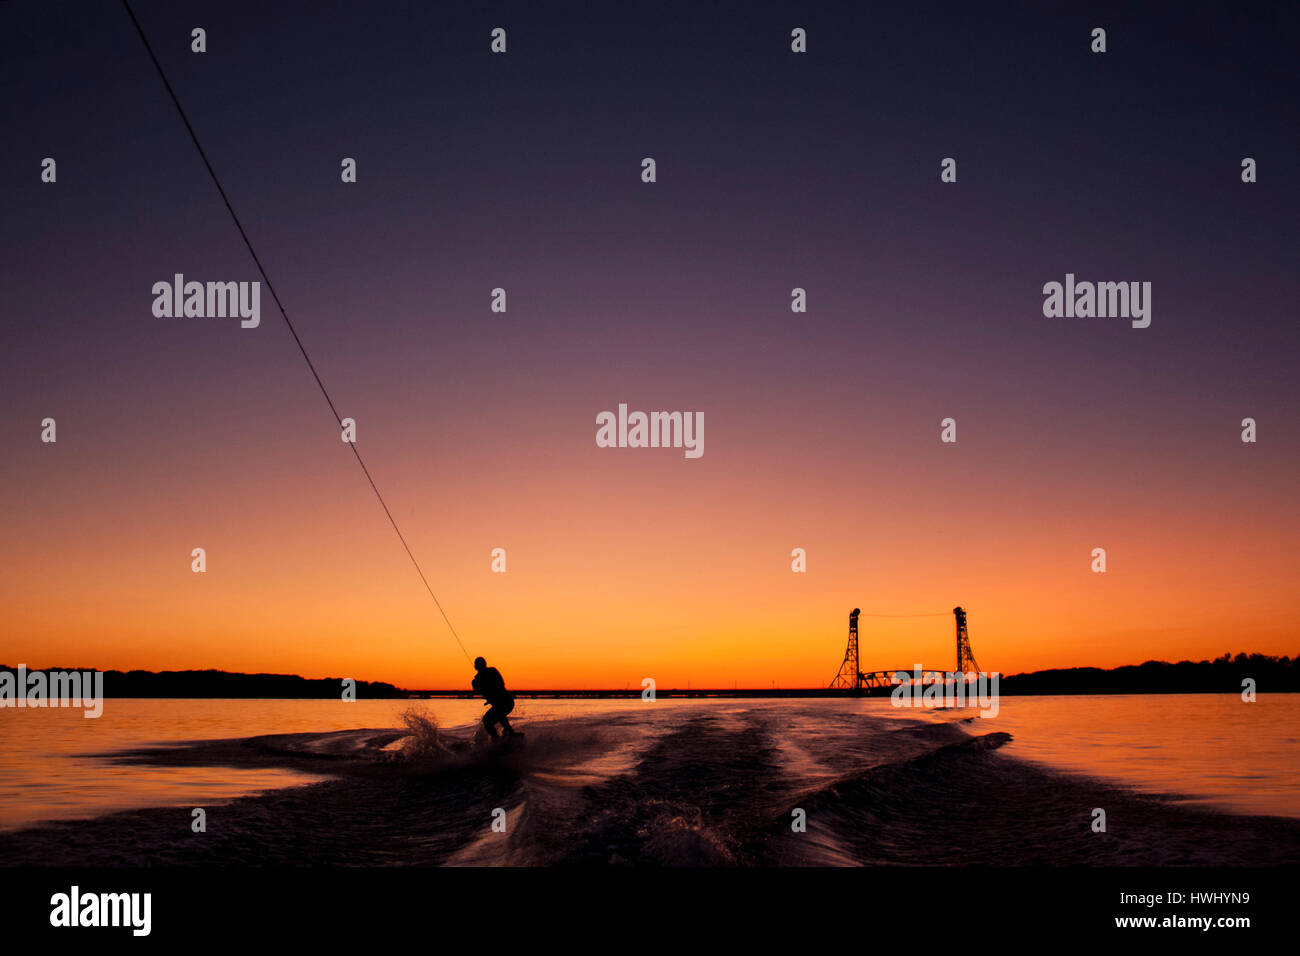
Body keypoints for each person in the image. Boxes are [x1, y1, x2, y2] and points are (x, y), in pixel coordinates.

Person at [471, 656, 518, 738]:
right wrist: (477, 683)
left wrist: (491, 691)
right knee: (489, 719)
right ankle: (504, 735)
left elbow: (501, 684)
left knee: (492, 717)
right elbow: (477, 691)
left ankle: (504, 736)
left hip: (506, 701)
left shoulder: (492, 671)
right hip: (501, 703)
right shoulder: (476, 679)